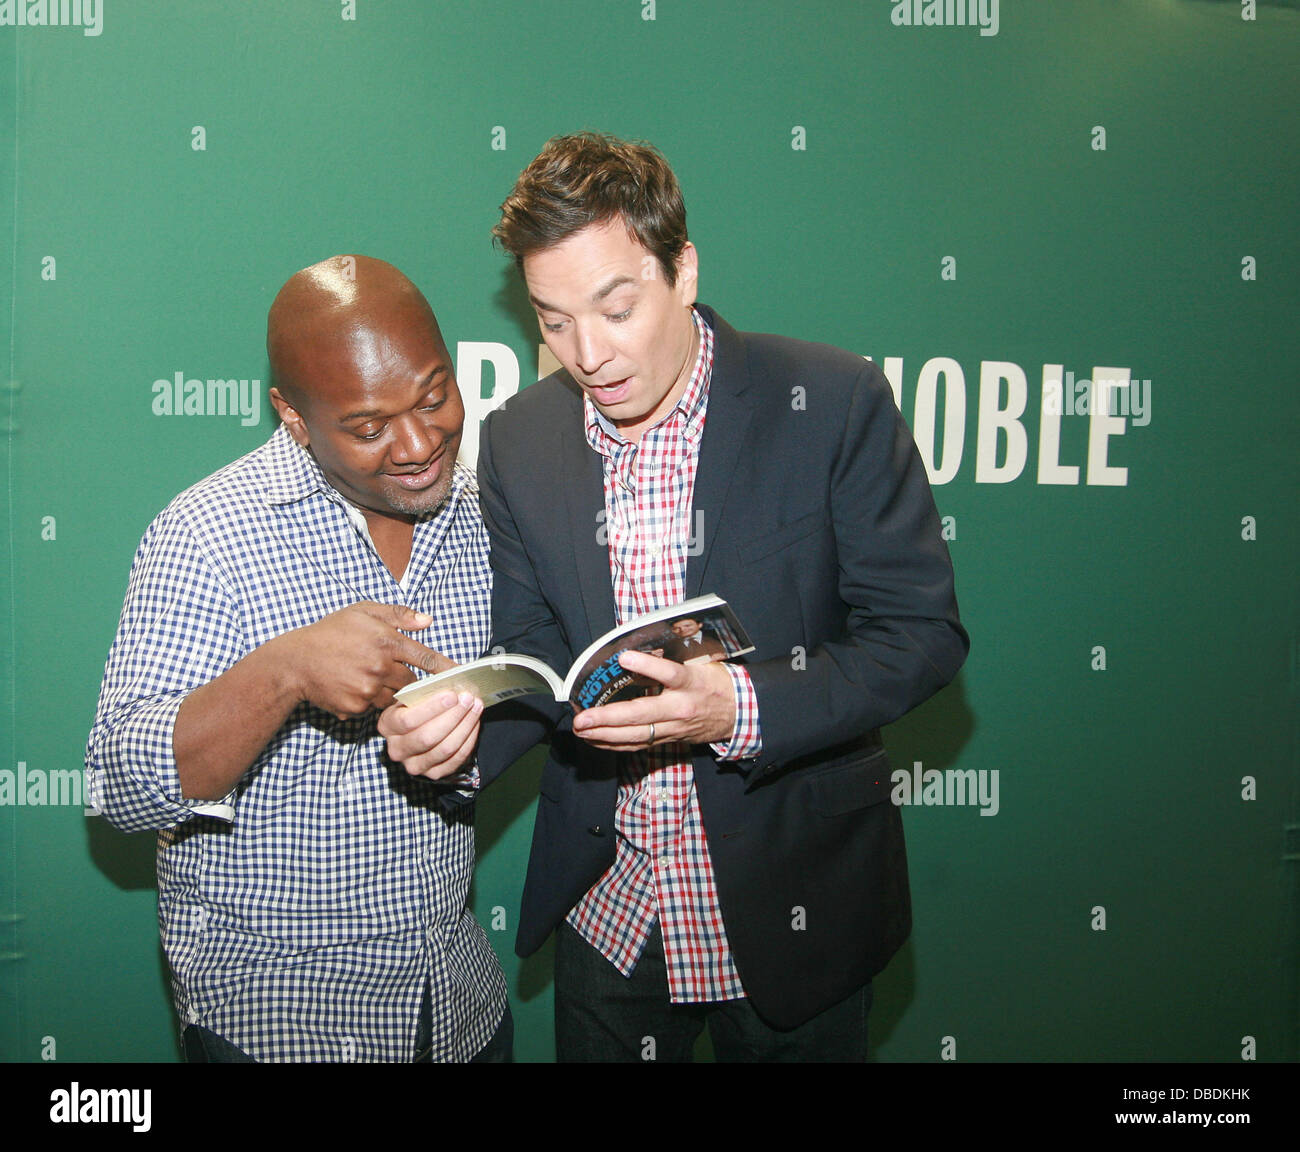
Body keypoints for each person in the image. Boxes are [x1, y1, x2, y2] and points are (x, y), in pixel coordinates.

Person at [382, 133, 968, 1062]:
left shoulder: (830, 399)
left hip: (794, 910)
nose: (589, 353)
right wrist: (458, 735)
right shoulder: (517, 442)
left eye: (616, 308)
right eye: (555, 320)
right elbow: (535, 656)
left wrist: (739, 706)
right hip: (609, 914)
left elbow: (922, 636)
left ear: (681, 270)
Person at [86, 255, 508, 1063]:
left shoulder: (485, 511)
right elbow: (120, 787)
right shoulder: (207, 534)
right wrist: (279, 673)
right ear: (292, 415)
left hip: (456, 1002)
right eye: (368, 426)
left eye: (434, 395)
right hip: (281, 1019)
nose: (420, 445)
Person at [660, 617, 727, 665]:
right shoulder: (670, 646)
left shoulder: (719, 635)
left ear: (700, 624)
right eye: (676, 628)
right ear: (672, 631)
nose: (683, 629)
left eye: (687, 626)